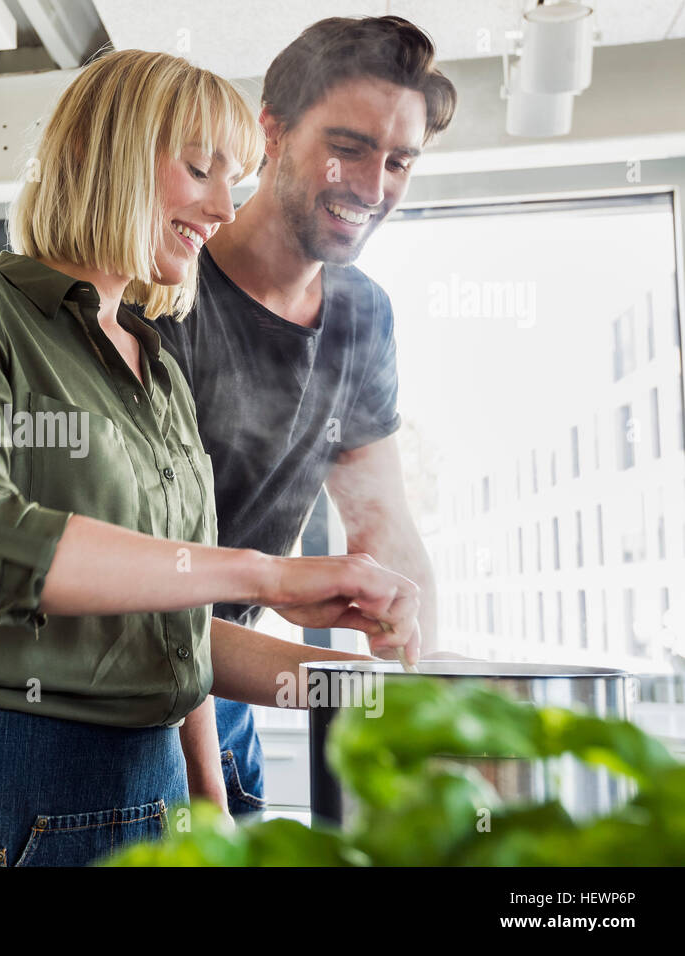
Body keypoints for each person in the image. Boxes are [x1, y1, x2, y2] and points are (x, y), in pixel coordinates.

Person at [0, 48, 420, 868]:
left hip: (148, 790)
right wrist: (264, 574)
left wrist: (381, 694)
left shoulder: (158, 371)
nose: (226, 207)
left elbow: (180, 634)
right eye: (201, 169)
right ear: (107, 156)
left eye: (237, 178)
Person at [150, 16, 457, 816]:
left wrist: (438, 693)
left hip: (229, 691)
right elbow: (144, 603)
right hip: (125, 686)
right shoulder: (167, 289)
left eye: (399, 161)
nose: (373, 184)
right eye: (348, 147)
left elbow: (383, 525)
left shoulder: (363, 316)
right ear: (272, 132)